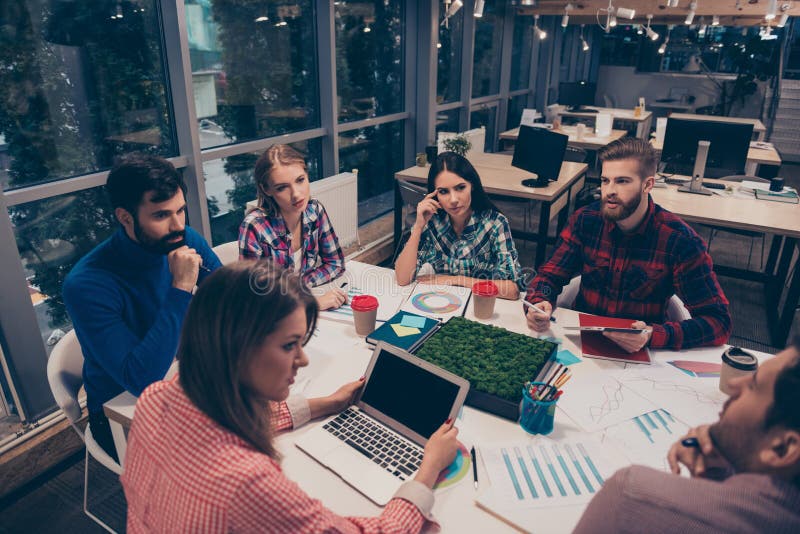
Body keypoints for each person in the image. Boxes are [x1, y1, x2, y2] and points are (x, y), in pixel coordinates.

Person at [121, 262, 460, 532]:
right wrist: (427, 471)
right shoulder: (248, 483)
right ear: (236, 347)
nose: (303, 359)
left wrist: (327, 404)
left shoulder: (156, 397)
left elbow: (220, 418)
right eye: (288, 345)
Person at [63, 154, 221, 461]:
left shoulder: (184, 238)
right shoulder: (86, 284)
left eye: (181, 211)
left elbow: (231, 298)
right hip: (122, 416)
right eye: (161, 216)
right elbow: (141, 380)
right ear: (125, 217)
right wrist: (181, 288)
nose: (179, 226)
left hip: (184, 380)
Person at [525, 137, 731, 351]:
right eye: (605, 180)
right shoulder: (586, 220)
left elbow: (719, 322)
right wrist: (539, 301)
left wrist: (653, 335)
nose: (609, 190)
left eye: (622, 181)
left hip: (642, 351)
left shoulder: (680, 241)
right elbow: (549, 276)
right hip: (581, 340)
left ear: (647, 184)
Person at [574, 338, 800, 533]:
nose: (734, 384)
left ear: (783, 449)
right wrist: (722, 473)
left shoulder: (630, 497)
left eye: (753, 385)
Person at [395, 152, 523, 299]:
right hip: (442, 302)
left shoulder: (495, 222)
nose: (454, 199)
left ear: (472, 186)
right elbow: (402, 279)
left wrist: (457, 280)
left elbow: (513, 290)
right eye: (443, 192)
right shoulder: (432, 222)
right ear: (435, 195)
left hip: (483, 304)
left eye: (460, 187)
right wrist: (418, 227)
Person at [239, 144, 346, 310]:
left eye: (300, 180)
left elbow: (336, 264)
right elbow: (253, 299)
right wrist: (310, 303)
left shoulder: (314, 211)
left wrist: (298, 287)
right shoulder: (254, 227)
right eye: (282, 187)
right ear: (266, 189)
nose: (296, 194)